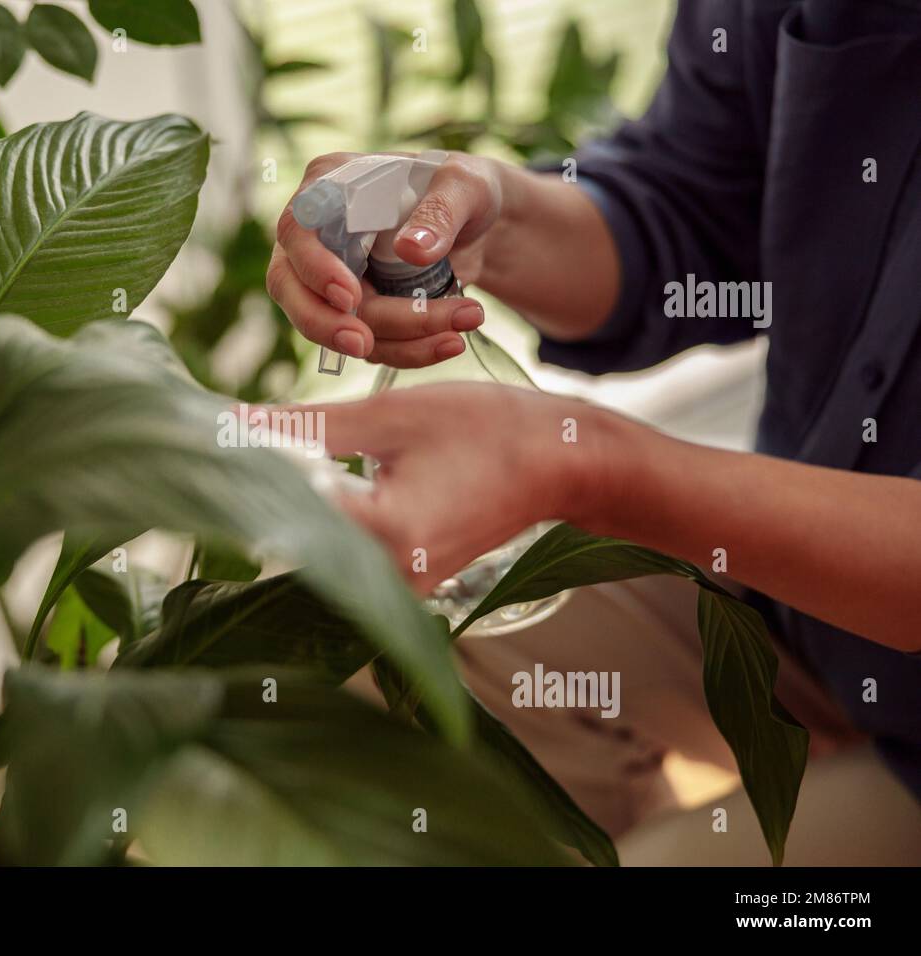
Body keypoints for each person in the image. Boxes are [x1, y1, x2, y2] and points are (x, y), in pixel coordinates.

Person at [266, 0, 921, 864]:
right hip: (798, 608)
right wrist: (485, 215)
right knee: (333, 635)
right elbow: (689, 202)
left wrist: (597, 470)